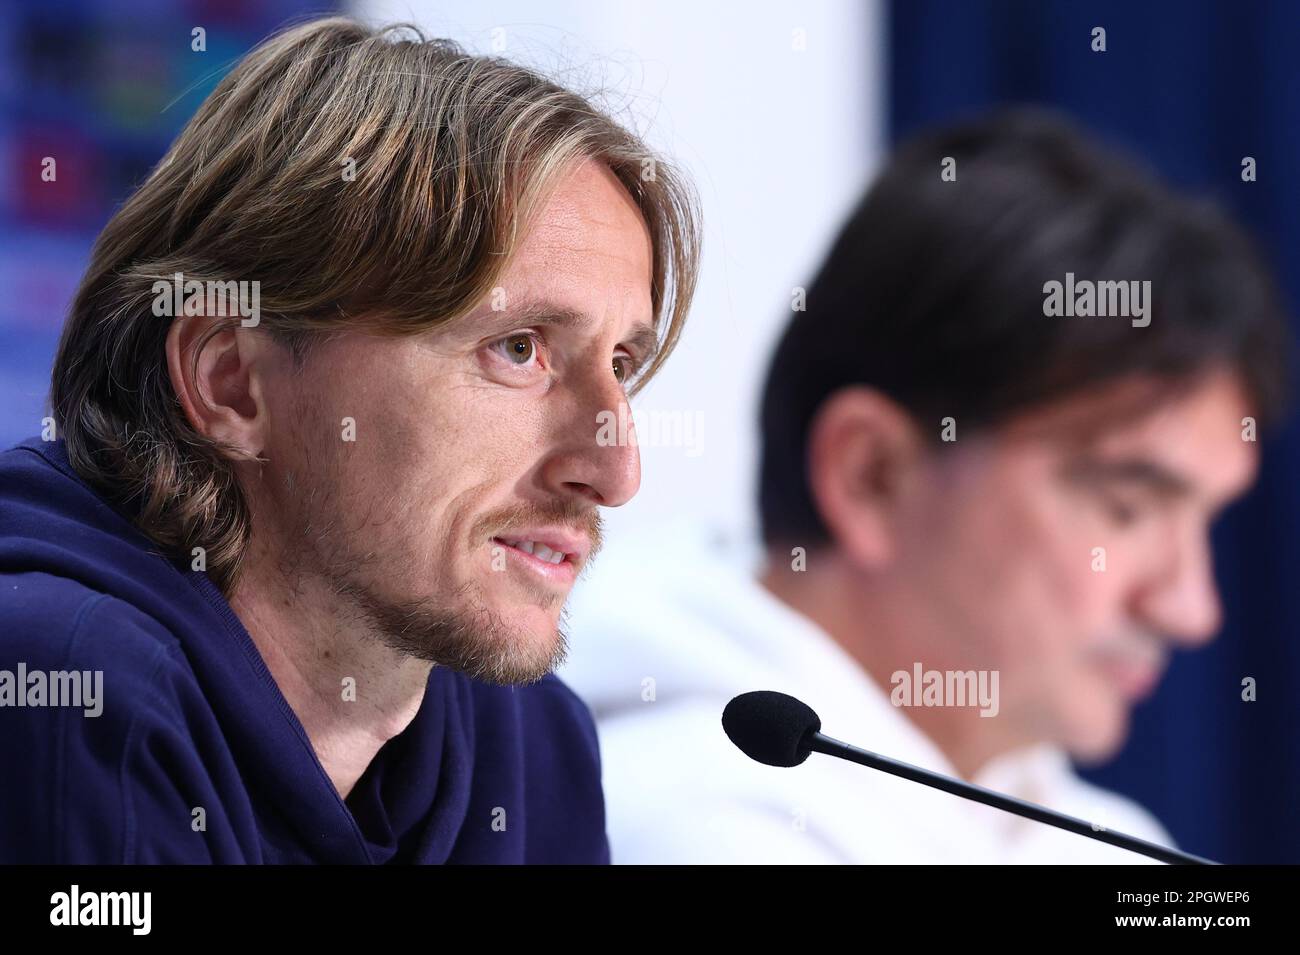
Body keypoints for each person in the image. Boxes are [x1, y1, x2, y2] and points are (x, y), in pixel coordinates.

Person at [0, 17, 699, 863]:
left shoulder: (529, 740)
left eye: (621, 362)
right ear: (234, 383)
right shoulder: (65, 687)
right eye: (518, 348)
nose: (615, 469)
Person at [559, 109, 1288, 863]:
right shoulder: (693, 828)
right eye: (1127, 506)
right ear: (872, 474)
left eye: (1205, 518)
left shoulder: (1110, 841)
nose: (1190, 609)